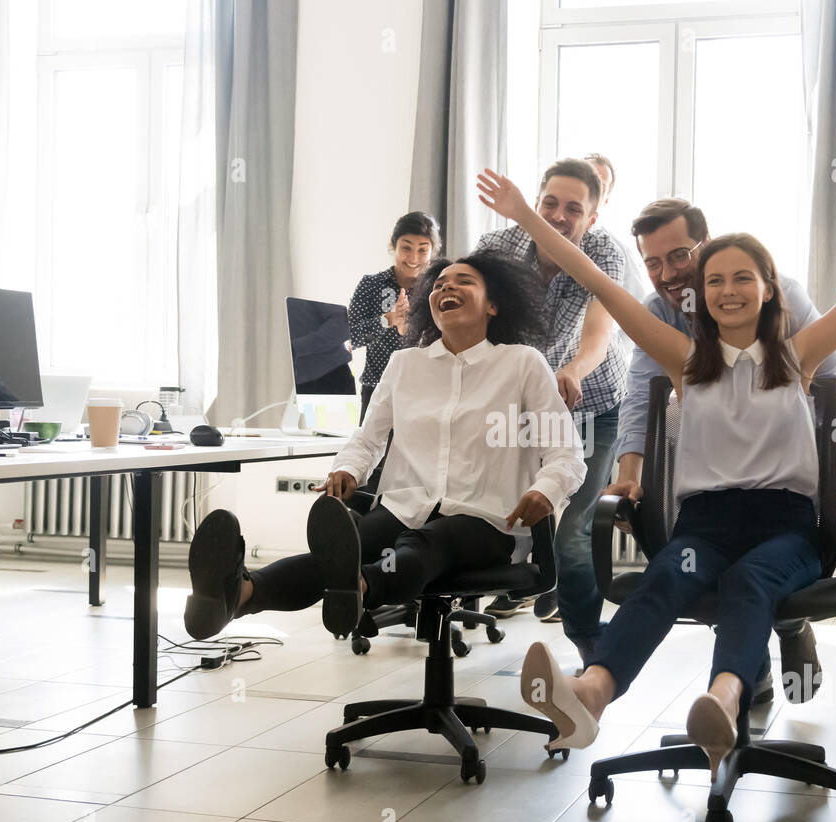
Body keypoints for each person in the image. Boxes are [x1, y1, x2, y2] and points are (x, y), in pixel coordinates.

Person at [478, 151, 836, 770]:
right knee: (663, 580)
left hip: (785, 528)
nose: (727, 290)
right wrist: (520, 214)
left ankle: (723, 703)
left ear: (768, 287)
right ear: (701, 295)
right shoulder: (681, 359)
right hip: (705, 526)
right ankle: (591, 696)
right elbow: (592, 275)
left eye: (742, 278)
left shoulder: (800, 353)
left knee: (749, 584)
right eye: (716, 281)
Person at [182, 252, 586, 641]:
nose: (449, 287)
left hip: (488, 520)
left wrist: (544, 491)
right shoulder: (404, 365)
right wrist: (348, 471)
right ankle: (243, 595)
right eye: (440, 283)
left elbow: (565, 452)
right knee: (354, 545)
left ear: (493, 305)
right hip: (406, 505)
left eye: (464, 281)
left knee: (422, 544)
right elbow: (367, 438)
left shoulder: (522, 364)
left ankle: (359, 585)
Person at [609, 197, 836, 705]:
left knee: (753, 577)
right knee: (683, 570)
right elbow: (639, 409)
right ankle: (609, 691)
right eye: (652, 262)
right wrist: (629, 475)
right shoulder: (667, 333)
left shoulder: (787, 313)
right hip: (706, 506)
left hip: (787, 499)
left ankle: (770, 646)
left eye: (678, 257)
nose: (667, 273)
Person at [473, 159, 626, 657]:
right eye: (550, 204)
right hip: (521, 407)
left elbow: (601, 327)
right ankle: (517, 591)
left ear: (593, 218)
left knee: (573, 535)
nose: (560, 216)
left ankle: (593, 655)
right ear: (536, 202)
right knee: (498, 514)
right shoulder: (497, 249)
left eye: (574, 209)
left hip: (593, 403)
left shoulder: (605, 250)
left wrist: (574, 370)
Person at [347, 212, 441, 422]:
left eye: (422, 250)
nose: (414, 258)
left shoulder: (437, 290)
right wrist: (387, 320)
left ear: (432, 252)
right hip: (376, 391)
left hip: (425, 394)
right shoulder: (371, 285)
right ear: (393, 245)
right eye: (406, 247)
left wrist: (412, 332)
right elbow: (349, 338)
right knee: (369, 454)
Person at [582, 152, 651, 305]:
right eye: (583, 178)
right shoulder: (529, 236)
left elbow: (636, 311)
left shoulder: (617, 253)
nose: (587, 188)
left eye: (598, 185)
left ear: (605, 199)